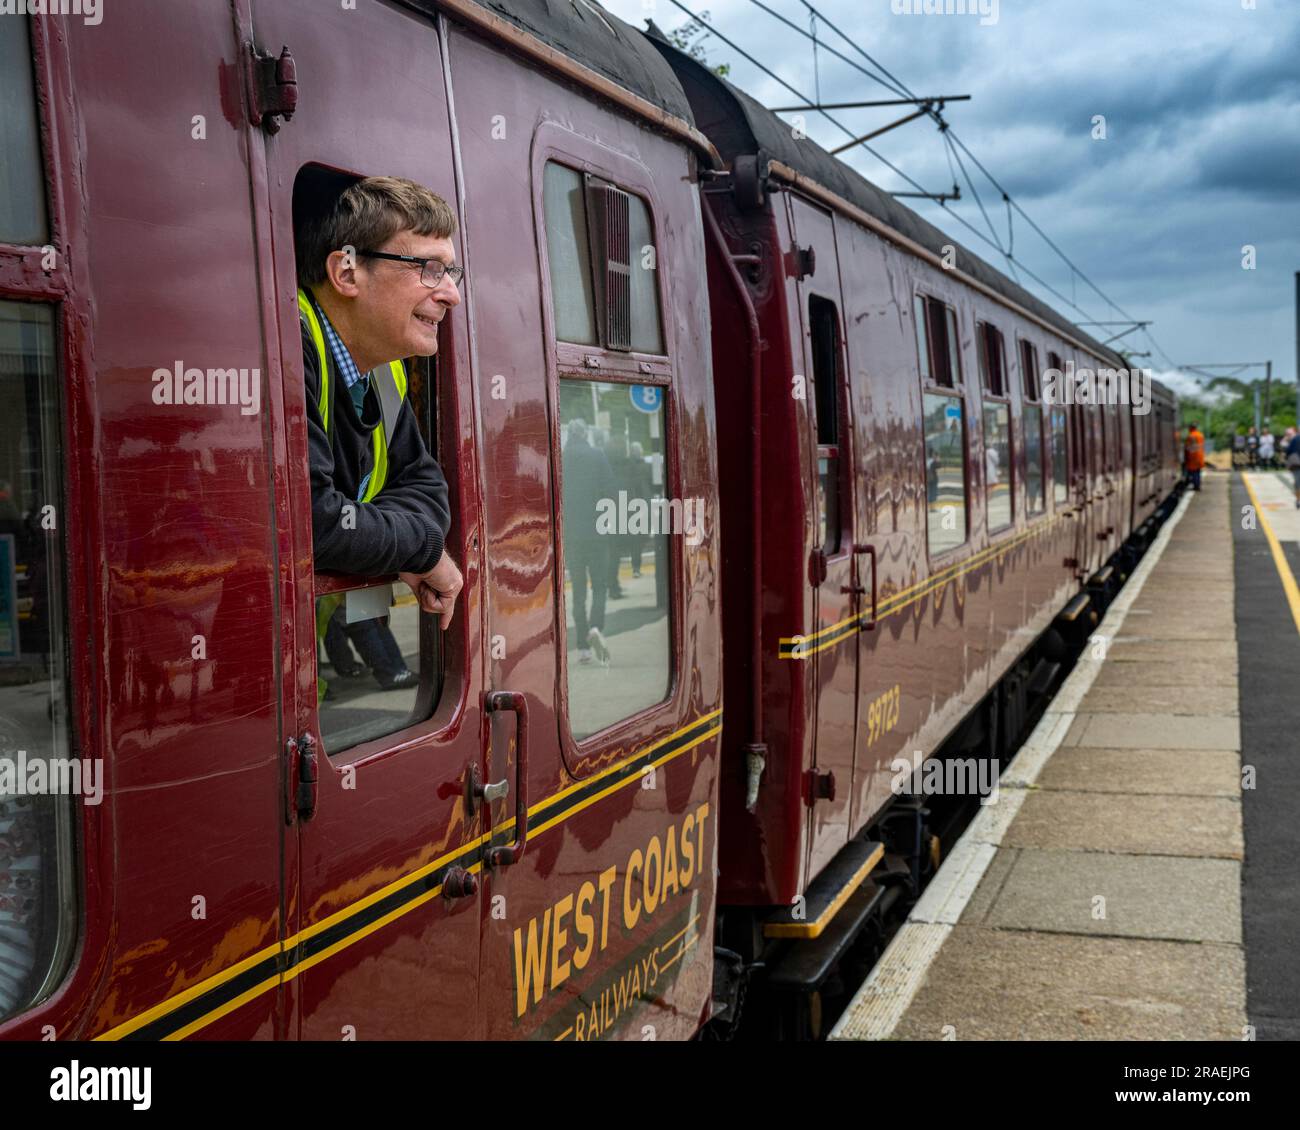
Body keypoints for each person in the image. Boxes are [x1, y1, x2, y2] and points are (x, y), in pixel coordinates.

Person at [296, 176, 465, 698]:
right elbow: (312, 521)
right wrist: (421, 550)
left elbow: (427, 488)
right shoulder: (285, 345)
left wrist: (406, 540)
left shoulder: (384, 372)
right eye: (430, 269)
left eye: (452, 271)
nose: (452, 294)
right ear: (347, 271)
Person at [562, 418, 615, 665]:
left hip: (572, 536)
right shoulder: (597, 456)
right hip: (597, 534)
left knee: (579, 591)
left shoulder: (561, 458)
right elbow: (612, 493)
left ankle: (582, 648)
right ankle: (596, 627)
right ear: (586, 434)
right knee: (600, 585)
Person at [1183, 421, 1205, 492]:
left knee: (1193, 472)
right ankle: (1197, 485)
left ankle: (1196, 486)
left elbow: (1187, 447)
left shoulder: (1190, 436)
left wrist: (1185, 458)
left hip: (1192, 457)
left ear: (1191, 428)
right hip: (1200, 456)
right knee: (1198, 472)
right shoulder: (1200, 435)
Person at [1285, 427, 1300, 509]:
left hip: (1296, 463)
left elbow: (1288, 450)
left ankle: (1298, 500)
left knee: (1297, 483)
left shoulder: (1294, 439)